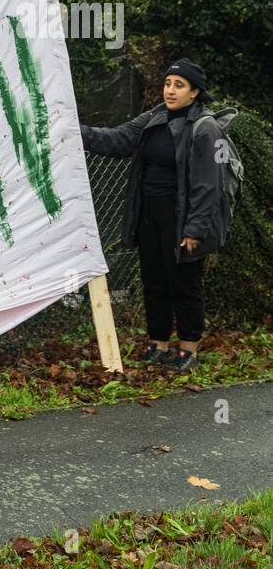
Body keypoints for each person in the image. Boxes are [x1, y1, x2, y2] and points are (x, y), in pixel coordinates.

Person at [80, 58, 222, 372]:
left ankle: (188, 349)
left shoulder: (204, 127)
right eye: (168, 84)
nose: (170, 91)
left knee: (184, 284)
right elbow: (116, 140)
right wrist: (77, 132)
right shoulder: (154, 117)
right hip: (149, 214)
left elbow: (206, 185)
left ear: (194, 92)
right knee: (154, 281)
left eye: (179, 85)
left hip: (181, 218)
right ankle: (158, 344)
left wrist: (195, 229)